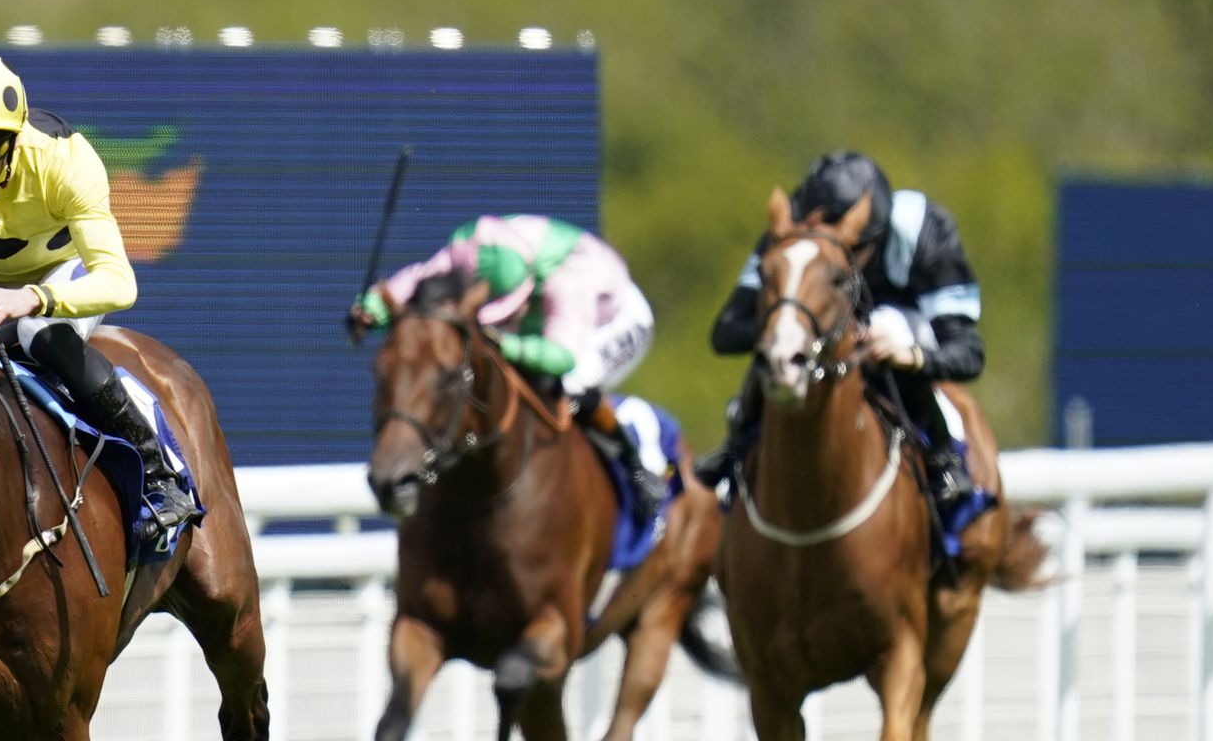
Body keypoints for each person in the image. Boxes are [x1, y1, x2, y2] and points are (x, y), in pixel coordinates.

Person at [0, 46, 199, 539]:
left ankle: (159, 474)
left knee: (36, 330)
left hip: (56, 275)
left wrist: (31, 298)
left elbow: (118, 282)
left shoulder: (63, 160)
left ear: (15, 137)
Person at [696, 152, 985, 508]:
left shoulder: (923, 229)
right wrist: (786, 324)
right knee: (778, 340)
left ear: (876, 236)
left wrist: (909, 356)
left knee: (886, 324)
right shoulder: (791, 238)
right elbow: (726, 333)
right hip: (819, 332)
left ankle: (943, 458)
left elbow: (969, 352)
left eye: (856, 248)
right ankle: (738, 446)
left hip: (899, 326)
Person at [347, 215, 672, 529]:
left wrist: (507, 345)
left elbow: (562, 358)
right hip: (536, 311)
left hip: (611, 321)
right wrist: (370, 310)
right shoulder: (465, 256)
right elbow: (404, 287)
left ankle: (636, 470)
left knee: (575, 383)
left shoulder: (570, 280)